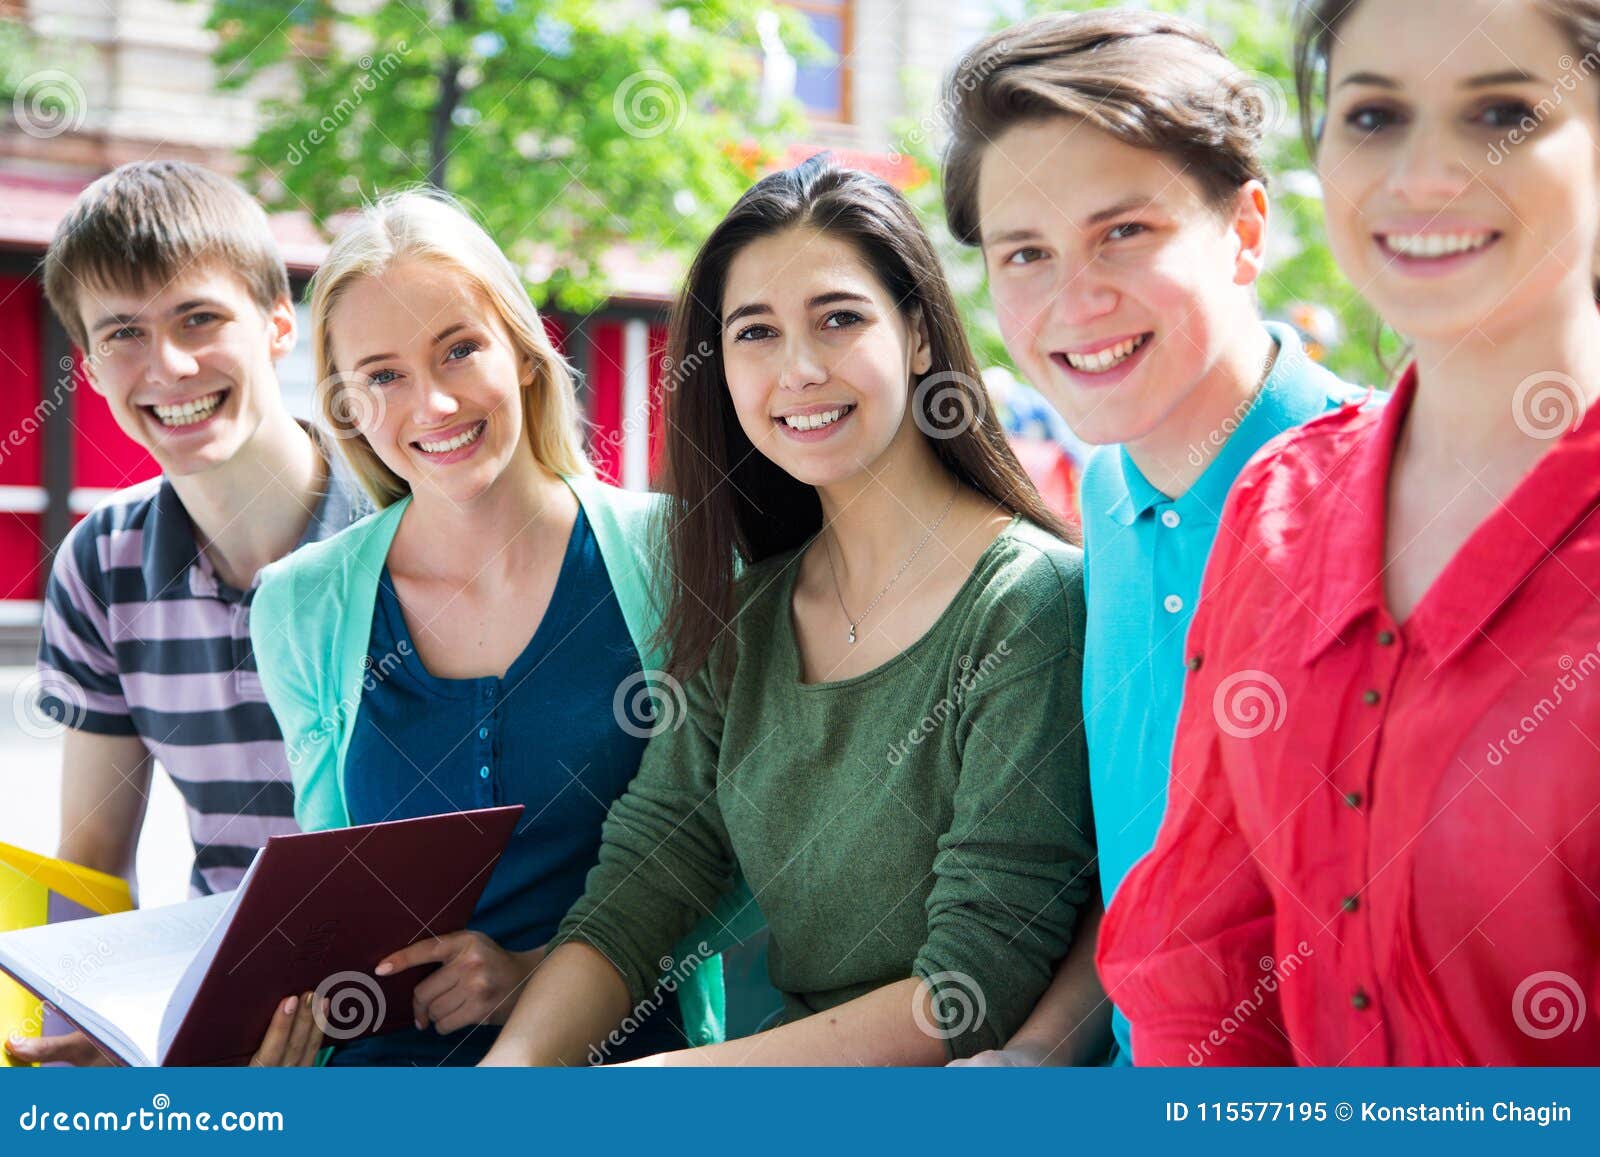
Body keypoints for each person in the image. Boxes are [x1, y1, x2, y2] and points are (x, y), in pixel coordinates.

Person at [481, 157, 1096, 1067]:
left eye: (839, 319)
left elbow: (973, 985)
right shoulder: (750, 609)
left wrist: (654, 1086)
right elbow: (653, 867)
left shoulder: (1029, 601)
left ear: (919, 334)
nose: (799, 369)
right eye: (755, 333)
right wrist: (515, 1071)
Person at [1097, 0, 1600, 1065]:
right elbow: (1205, 959)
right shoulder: (1278, 503)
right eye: (1373, 117)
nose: (1423, 177)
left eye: (1502, 111)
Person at [939, 10, 1367, 1066]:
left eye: (1122, 232)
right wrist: (1039, 1051)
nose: (1073, 300)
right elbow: (1151, 883)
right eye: (1024, 253)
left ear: (1247, 231)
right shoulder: (1106, 493)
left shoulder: (1389, 499)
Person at [247, 190, 752, 1065]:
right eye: (384, 375)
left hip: (620, 1073)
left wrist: (545, 972)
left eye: (459, 349)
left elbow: (750, 860)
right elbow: (330, 903)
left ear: (523, 349)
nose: (434, 403)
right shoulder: (302, 606)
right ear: (349, 406)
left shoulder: (681, 558)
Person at [6, 161, 365, 1068]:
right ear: (89, 364)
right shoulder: (102, 563)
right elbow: (91, 852)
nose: (166, 366)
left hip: (419, 1009)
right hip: (218, 1014)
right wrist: (83, 1018)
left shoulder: (404, 519)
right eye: (123, 333)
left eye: (198, 318)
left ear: (280, 322)